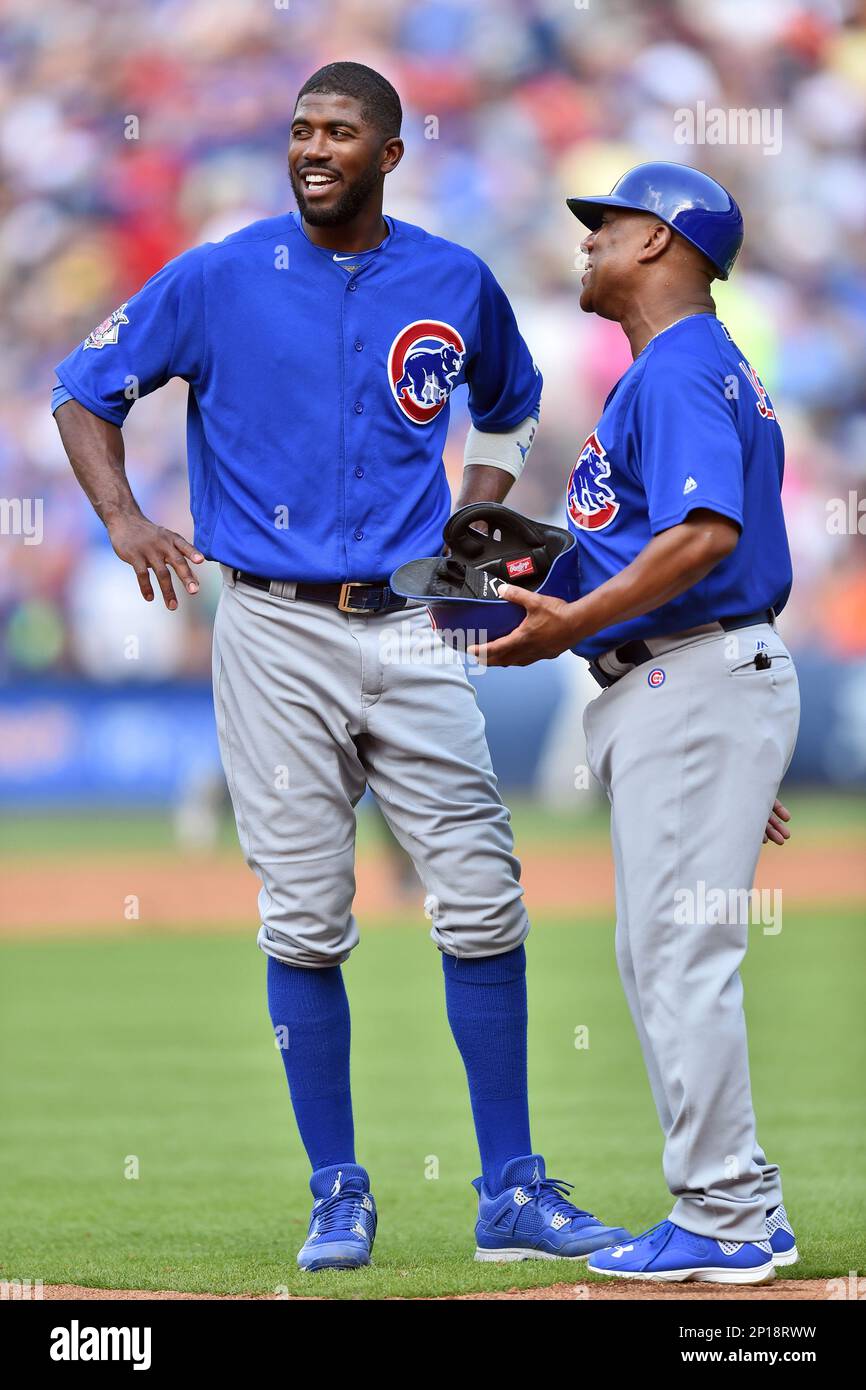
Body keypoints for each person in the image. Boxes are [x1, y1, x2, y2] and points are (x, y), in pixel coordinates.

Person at [52, 62, 629, 1272]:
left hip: (419, 615)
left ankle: (508, 1190)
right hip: (270, 624)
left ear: (388, 151)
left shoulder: (449, 277)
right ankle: (337, 1190)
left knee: (480, 895)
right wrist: (122, 520)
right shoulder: (220, 273)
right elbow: (83, 389)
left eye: (338, 132)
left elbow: (511, 409)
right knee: (306, 919)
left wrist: (477, 513)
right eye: (301, 129)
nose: (313, 148)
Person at [472, 163, 800, 1285]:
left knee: (674, 953)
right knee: (661, 949)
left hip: (689, 674)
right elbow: (689, 545)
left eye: (604, 225)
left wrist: (569, 623)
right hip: (697, 682)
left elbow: (705, 535)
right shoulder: (684, 370)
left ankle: (724, 1215)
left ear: (660, 241)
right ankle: (743, 1203)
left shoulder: (677, 366)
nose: (587, 242)